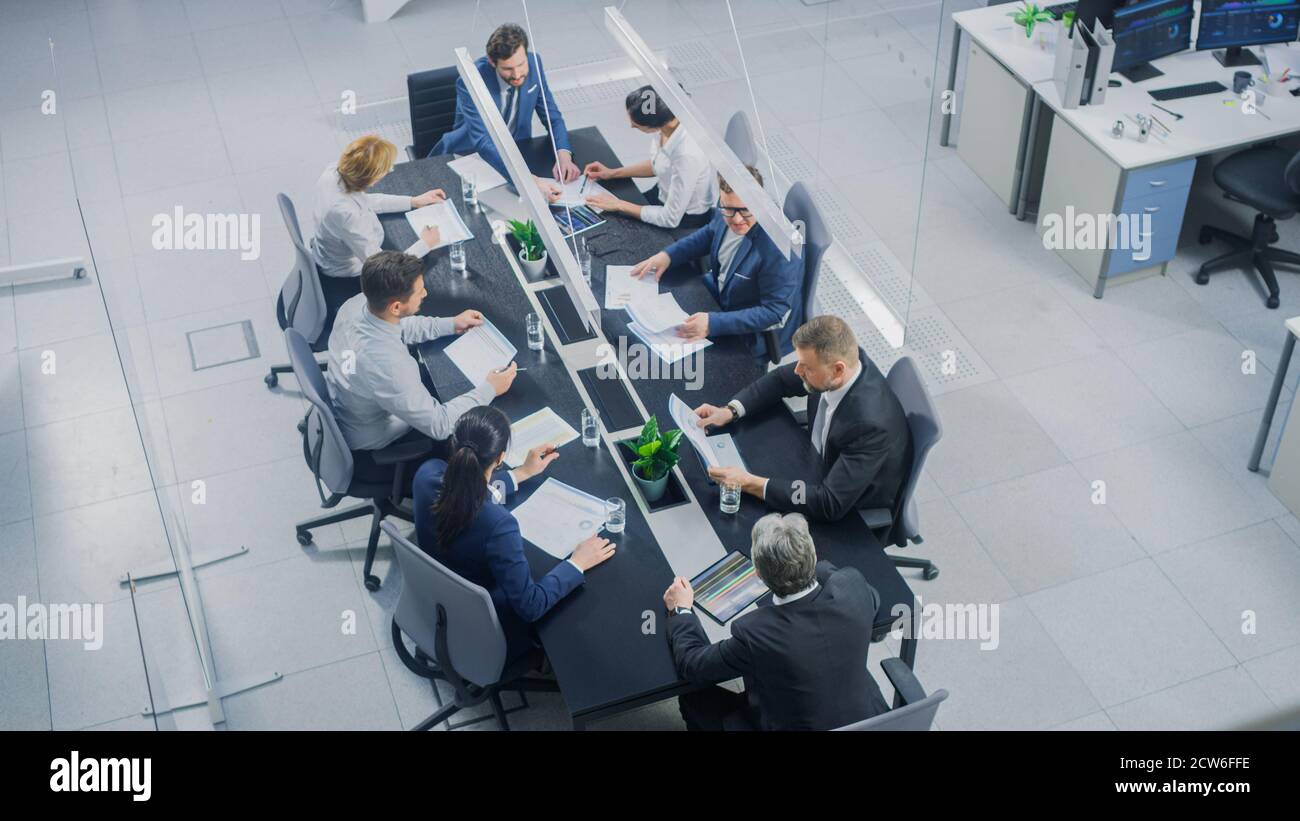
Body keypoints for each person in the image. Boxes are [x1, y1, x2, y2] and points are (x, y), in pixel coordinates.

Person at [413, 406, 616, 666]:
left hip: (438, 595)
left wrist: (521, 473)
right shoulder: (498, 526)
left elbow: (469, 494)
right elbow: (530, 605)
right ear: (499, 458)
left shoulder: (426, 474)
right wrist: (577, 563)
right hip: (487, 626)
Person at [663, 512, 889, 731]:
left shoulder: (756, 633)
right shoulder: (852, 586)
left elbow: (693, 665)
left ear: (759, 574)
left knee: (693, 698)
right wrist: (815, 569)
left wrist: (681, 610)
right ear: (814, 555)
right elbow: (868, 598)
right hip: (869, 722)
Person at [695, 315, 911, 523]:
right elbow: (780, 380)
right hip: (813, 465)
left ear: (838, 370)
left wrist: (750, 483)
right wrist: (729, 411)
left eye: (806, 367)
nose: (797, 371)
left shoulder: (869, 426)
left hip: (849, 509)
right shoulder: (843, 362)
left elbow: (830, 503)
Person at [325, 250, 517, 455]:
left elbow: (397, 325)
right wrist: (490, 388)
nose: (425, 293)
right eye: (420, 291)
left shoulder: (356, 305)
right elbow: (440, 425)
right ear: (397, 306)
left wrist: (450, 324)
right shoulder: (388, 366)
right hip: (370, 431)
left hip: (348, 397)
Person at [629, 165, 802, 361]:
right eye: (728, 208)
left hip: (746, 327)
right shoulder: (725, 211)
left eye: (745, 210)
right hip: (719, 294)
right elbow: (709, 234)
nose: (736, 219)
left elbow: (774, 312)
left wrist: (713, 324)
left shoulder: (779, 249)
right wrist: (667, 256)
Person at [432, 22, 573, 202]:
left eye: (521, 64)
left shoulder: (534, 63)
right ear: (492, 62)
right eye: (508, 69)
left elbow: (552, 117)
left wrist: (564, 155)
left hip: (516, 151)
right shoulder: (472, 80)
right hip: (470, 157)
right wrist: (527, 181)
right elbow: (482, 141)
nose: (517, 74)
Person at [312, 135, 445, 323]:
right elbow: (383, 271)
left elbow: (367, 201)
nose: (390, 170)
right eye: (385, 169)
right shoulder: (346, 214)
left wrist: (413, 201)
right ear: (369, 178)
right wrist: (426, 244)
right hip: (350, 275)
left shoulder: (334, 172)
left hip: (333, 251)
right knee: (424, 292)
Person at [581, 85, 716, 230]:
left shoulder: (687, 155)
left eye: (637, 124)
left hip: (684, 219)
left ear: (657, 122)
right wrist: (613, 173)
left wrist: (618, 204)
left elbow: (670, 218)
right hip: (661, 193)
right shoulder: (667, 125)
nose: (631, 125)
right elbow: (659, 165)